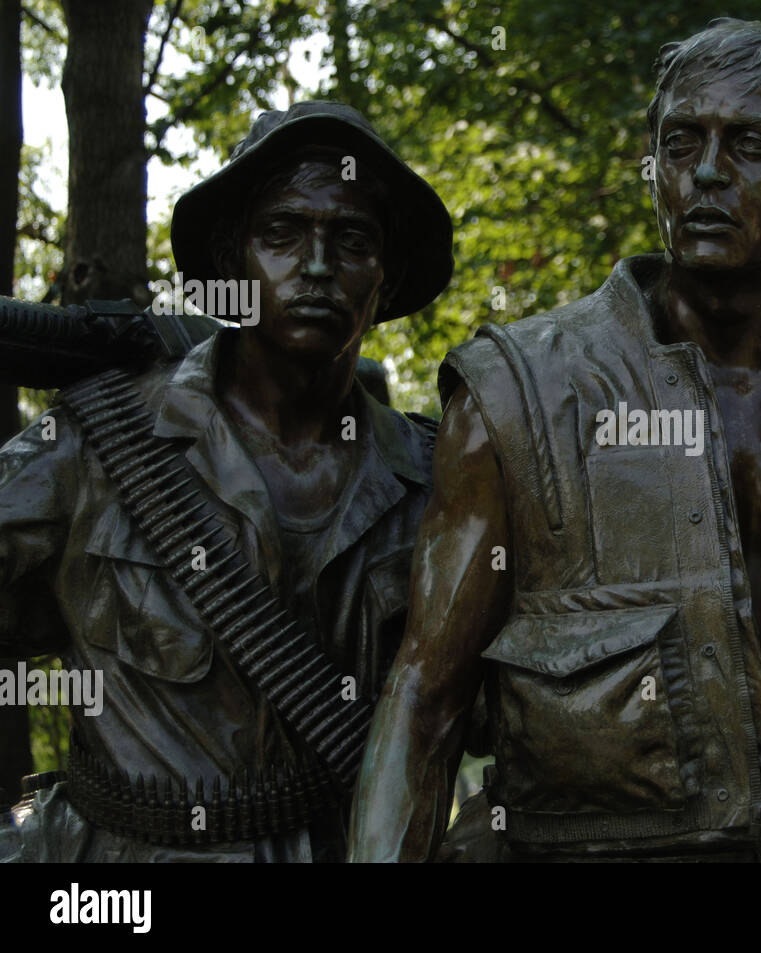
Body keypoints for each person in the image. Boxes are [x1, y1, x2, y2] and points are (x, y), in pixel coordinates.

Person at [350, 19, 761, 863]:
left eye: (751, 144)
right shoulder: (518, 394)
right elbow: (423, 699)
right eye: (681, 143)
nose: (707, 174)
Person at [0, 100, 453, 861]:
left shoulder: (439, 482)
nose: (315, 265)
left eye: (351, 239)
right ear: (231, 259)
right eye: (281, 233)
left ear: (388, 272)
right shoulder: (95, 444)